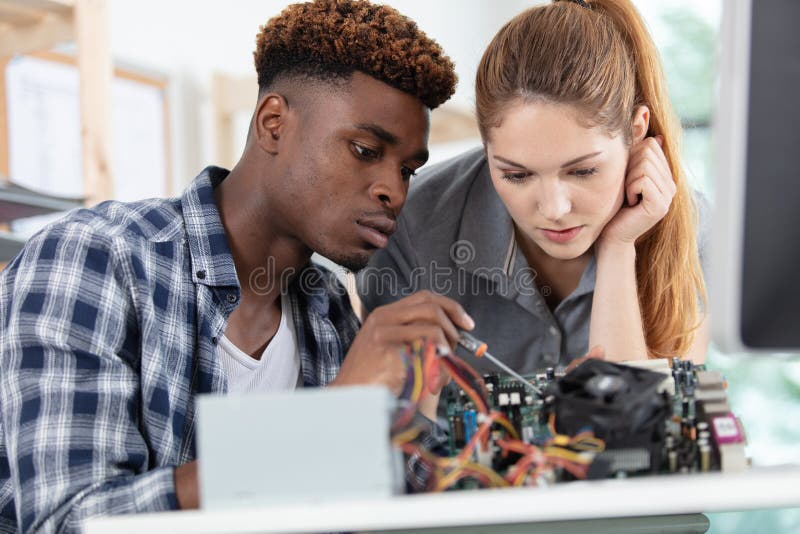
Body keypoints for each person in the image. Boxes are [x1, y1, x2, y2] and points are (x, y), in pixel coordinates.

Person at [0, 1, 471, 531]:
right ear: (273, 124)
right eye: (365, 150)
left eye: (408, 170)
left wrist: (422, 420)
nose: (394, 190)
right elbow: (69, 519)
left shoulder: (331, 314)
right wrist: (329, 423)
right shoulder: (95, 259)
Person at [359, 0, 710, 378]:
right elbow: (395, 424)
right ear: (486, 144)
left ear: (637, 130)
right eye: (517, 175)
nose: (554, 208)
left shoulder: (693, 228)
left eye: (583, 171)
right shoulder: (410, 227)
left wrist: (618, 250)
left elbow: (652, 429)